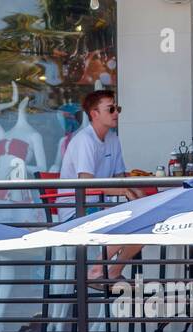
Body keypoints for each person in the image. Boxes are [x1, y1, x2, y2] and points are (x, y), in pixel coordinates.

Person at [58, 90, 144, 283]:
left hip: (100, 207)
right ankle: (97, 269)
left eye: (117, 108)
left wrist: (138, 192)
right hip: (76, 211)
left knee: (146, 224)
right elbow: (86, 186)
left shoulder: (112, 137)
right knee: (128, 221)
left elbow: (121, 177)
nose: (116, 113)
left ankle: (111, 272)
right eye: (111, 109)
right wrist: (124, 191)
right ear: (94, 114)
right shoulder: (85, 140)